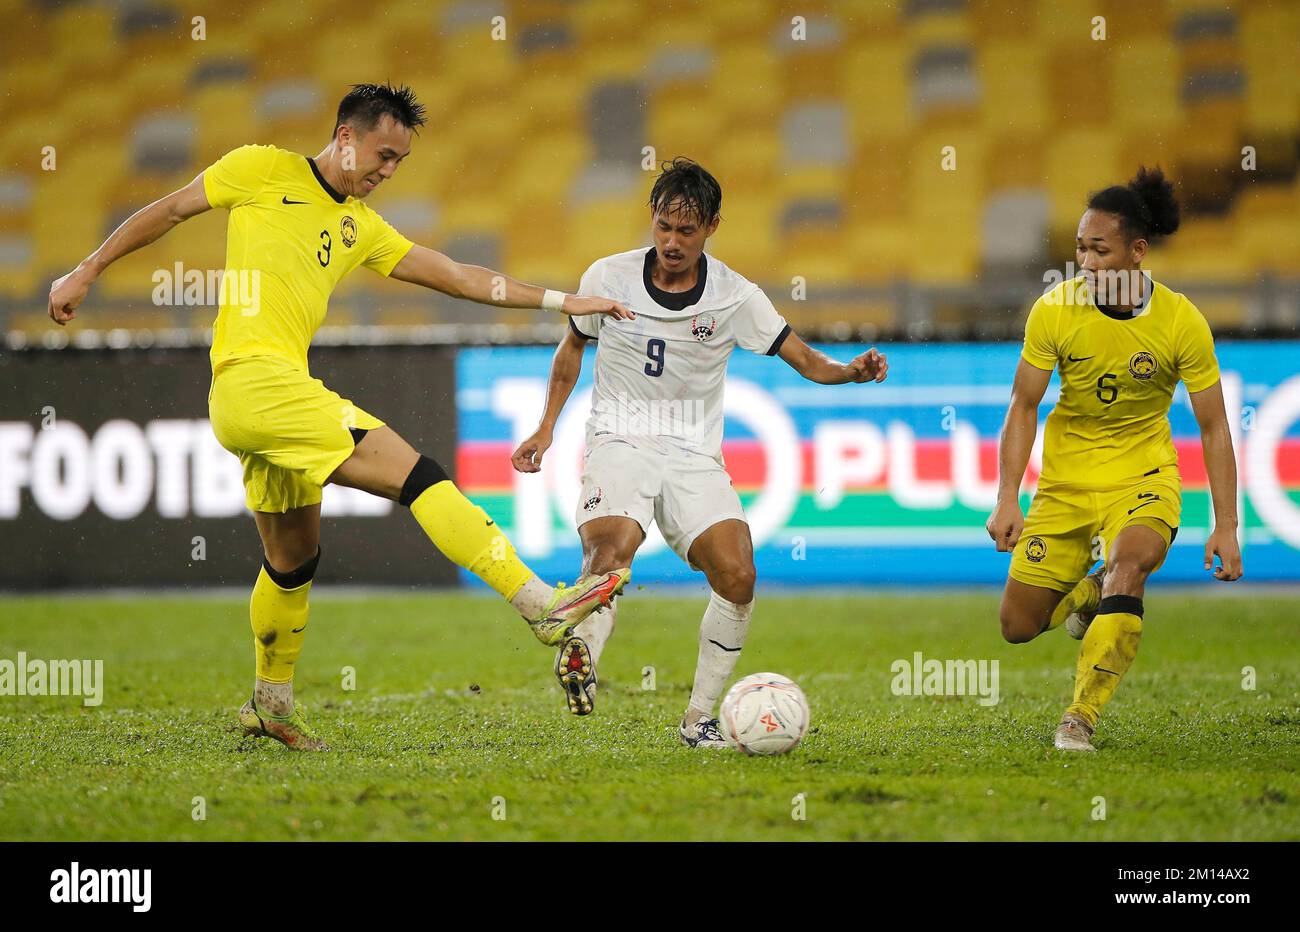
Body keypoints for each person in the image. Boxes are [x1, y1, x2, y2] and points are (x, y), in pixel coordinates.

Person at [47, 83, 633, 751]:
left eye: (400, 163)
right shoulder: (260, 167)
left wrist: (566, 299)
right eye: (383, 154)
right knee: (421, 476)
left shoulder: (359, 226)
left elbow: (458, 275)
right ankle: (541, 608)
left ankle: (270, 705)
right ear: (347, 137)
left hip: (261, 398)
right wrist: (88, 269)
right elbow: (169, 209)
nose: (387, 171)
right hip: (256, 385)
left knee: (292, 559)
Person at [512, 158, 888, 746]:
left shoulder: (737, 297)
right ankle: (583, 650)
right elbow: (570, 351)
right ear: (652, 219)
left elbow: (808, 361)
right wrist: (544, 428)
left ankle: (698, 720)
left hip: (695, 454)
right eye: (663, 226)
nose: (671, 242)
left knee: (738, 574)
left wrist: (851, 372)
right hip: (620, 438)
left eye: (686, 231)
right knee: (611, 551)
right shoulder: (606, 277)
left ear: (712, 226)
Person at [986, 166, 1243, 752]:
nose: (1086, 260)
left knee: (1131, 567)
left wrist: (1226, 525)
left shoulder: (1181, 322)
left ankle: (1081, 716)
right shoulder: (1055, 310)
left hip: (1143, 476)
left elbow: (1214, 425)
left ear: (1137, 251)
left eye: (1099, 249)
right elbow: (1023, 405)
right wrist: (1007, 497)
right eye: (1080, 248)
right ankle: (1088, 593)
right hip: (1066, 484)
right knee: (1017, 627)